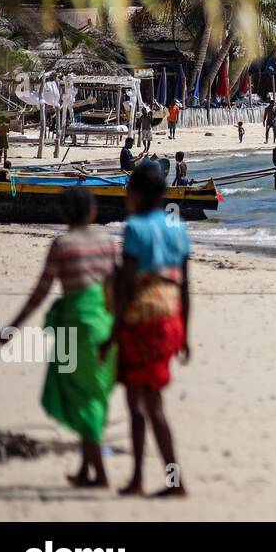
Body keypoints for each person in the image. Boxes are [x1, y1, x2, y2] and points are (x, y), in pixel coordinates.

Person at [2, 187, 118, 487]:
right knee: (93, 394)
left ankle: (101, 475)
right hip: (105, 326)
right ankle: (84, 468)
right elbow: (115, 291)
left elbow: (40, 293)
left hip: (75, 328)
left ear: (64, 214)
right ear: (92, 211)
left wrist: (13, 326)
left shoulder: (62, 245)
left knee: (76, 393)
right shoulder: (108, 242)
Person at [100, 161, 191, 497]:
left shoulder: (135, 229)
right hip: (171, 320)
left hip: (142, 320)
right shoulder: (177, 228)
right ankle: (138, 476)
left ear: (137, 194)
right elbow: (185, 287)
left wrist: (112, 333)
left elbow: (125, 286)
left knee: (146, 404)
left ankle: (173, 479)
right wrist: (186, 335)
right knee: (142, 400)